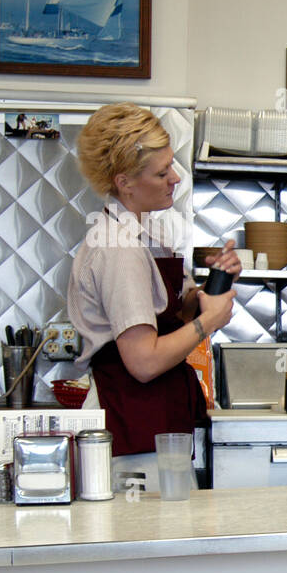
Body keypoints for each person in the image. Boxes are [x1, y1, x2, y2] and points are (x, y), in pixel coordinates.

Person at [68, 103, 239, 487]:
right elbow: (143, 362)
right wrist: (209, 321)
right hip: (131, 424)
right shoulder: (118, 248)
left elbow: (170, 317)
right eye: (162, 172)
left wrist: (214, 284)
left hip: (153, 422)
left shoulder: (147, 237)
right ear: (124, 181)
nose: (175, 178)